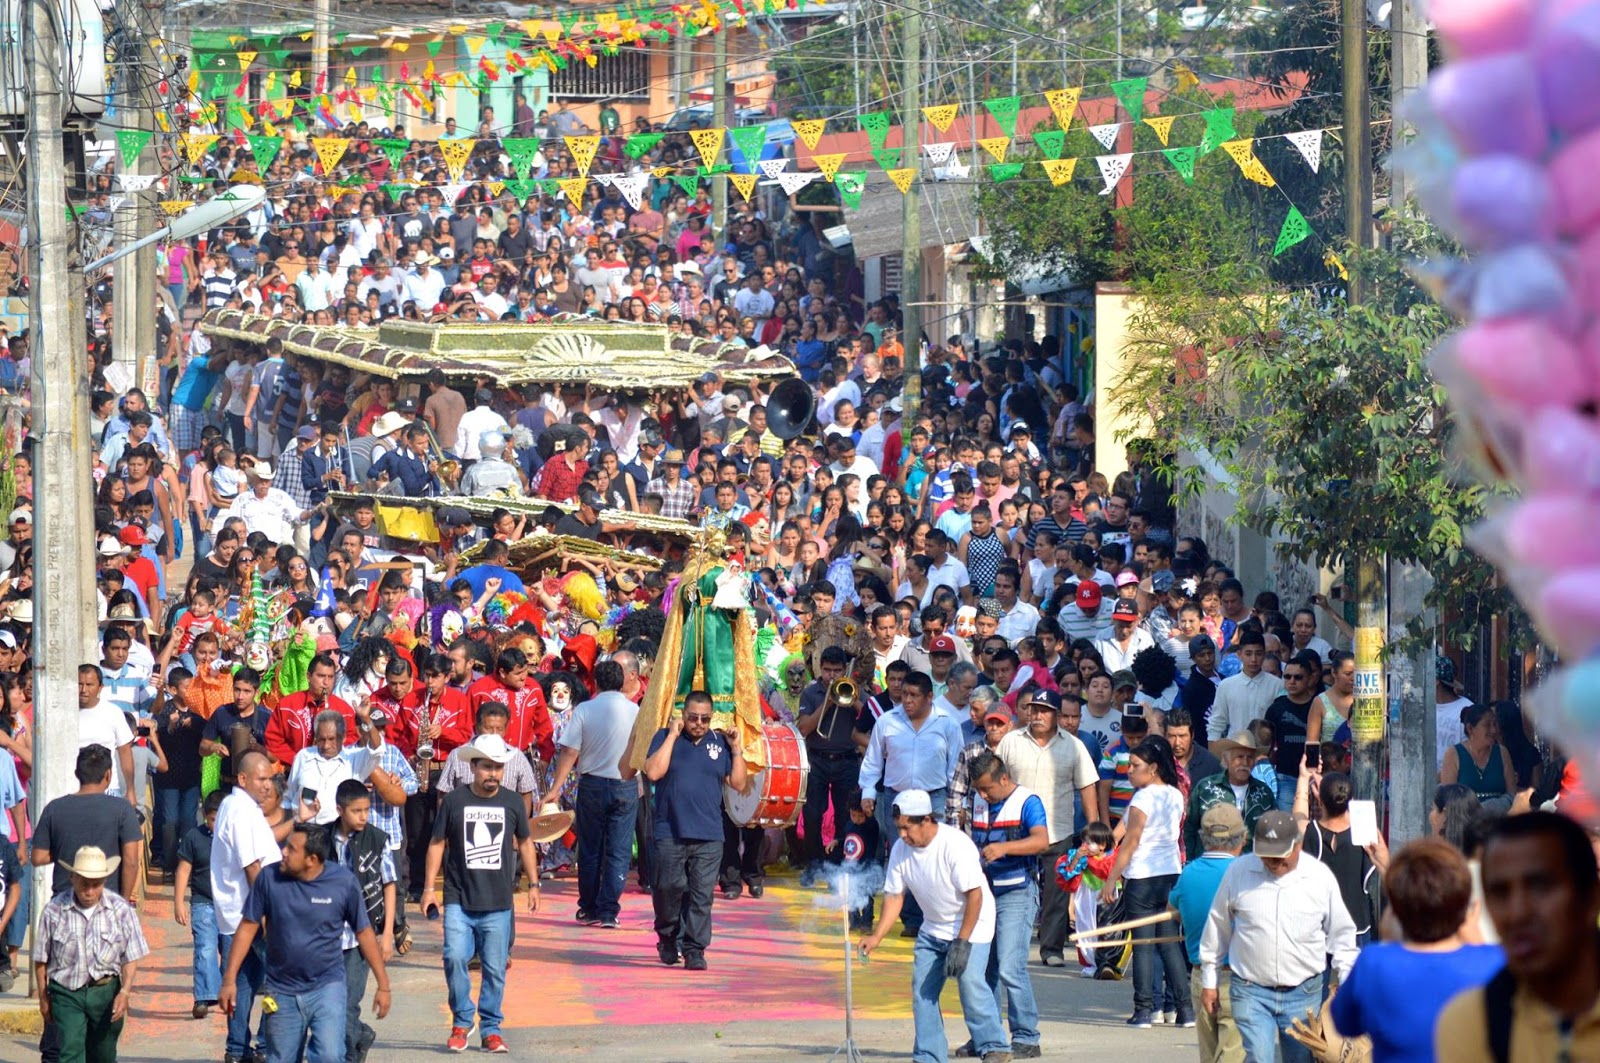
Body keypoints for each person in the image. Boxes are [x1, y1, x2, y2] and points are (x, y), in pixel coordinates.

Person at [857, 789, 1010, 1063]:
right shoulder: (901, 851)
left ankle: (994, 1045)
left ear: (926, 820)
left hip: (974, 924)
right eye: (898, 828)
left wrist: (962, 942)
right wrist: (877, 936)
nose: (902, 835)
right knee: (922, 991)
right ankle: (929, 1054)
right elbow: (894, 896)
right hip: (933, 928)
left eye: (907, 827)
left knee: (971, 982)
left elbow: (975, 896)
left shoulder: (955, 845)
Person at [1434, 811, 1600, 1061]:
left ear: (1589, 899)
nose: (1517, 912)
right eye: (1500, 893)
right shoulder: (1473, 1023)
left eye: (1540, 886)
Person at [219, 824, 392, 1063]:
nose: (284, 852)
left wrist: (383, 985)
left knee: (329, 1056)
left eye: (291, 849)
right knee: (281, 1058)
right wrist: (229, 979)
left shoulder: (342, 883)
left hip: (327, 988)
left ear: (311, 859)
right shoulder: (268, 879)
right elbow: (247, 928)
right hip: (281, 991)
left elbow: (364, 933)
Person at [1199, 811, 1360, 1063]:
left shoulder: (1319, 877)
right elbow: (1217, 924)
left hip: (1304, 993)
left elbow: (1342, 936)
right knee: (1259, 1057)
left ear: (1297, 845)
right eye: (1267, 855)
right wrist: (1210, 979)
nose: (1273, 862)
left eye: (1280, 855)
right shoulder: (1239, 872)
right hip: (1251, 989)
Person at [1331, 837, 1503, 1063]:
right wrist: (1475, 938)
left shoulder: (1374, 963)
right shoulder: (1497, 965)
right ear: (1469, 909)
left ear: (1395, 913)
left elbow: (1344, 1023)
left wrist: (1392, 943)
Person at [422, 733, 539, 1053]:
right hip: (459, 897)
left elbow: (526, 843)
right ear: (473, 767)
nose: (493, 774)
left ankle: (491, 1028)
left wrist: (534, 884)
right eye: (487, 767)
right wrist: (429, 888)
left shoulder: (513, 802)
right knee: (454, 957)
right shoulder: (455, 801)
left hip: (499, 902)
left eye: (498, 768)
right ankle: (462, 1021)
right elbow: (436, 844)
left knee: (494, 968)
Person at [639, 690, 747, 970]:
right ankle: (667, 938)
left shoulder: (719, 743)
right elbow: (653, 772)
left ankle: (695, 949)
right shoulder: (664, 737)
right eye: (692, 717)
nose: (698, 723)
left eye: (704, 718)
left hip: (709, 834)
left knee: (701, 896)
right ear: (682, 715)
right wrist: (673, 736)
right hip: (670, 831)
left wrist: (736, 748)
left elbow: (738, 783)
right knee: (668, 888)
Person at [994, 690, 1100, 967]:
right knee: (1013, 889)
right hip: (1016, 831)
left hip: (1058, 830)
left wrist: (1094, 828)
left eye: (1044, 710)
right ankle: (1009, 946)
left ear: (1055, 715)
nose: (1037, 714)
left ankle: (1051, 949)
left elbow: (1087, 786)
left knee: (1057, 893)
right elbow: (994, 780)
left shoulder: (1074, 746)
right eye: (1033, 709)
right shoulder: (1010, 741)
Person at [859, 672, 964, 936]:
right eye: (904, 694)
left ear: (930, 697)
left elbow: (956, 766)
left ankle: (935, 914)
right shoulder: (887, 722)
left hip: (935, 798)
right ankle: (912, 920)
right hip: (897, 797)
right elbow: (873, 761)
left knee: (934, 855)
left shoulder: (947, 724)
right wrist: (868, 792)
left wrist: (956, 801)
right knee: (901, 854)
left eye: (914, 696)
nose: (907, 700)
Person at [1099, 738, 1194, 1028]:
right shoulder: (1174, 795)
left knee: (1143, 944)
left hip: (1142, 877)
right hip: (1170, 874)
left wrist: (1110, 879)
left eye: (1136, 767)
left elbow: (1130, 842)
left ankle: (1143, 1011)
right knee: (1168, 944)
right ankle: (1185, 1011)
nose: (1129, 771)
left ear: (1153, 768)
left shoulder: (1142, 798)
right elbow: (1119, 834)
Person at [545, 659, 640, 928]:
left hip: (592, 785)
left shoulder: (585, 710)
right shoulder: (634, 711)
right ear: (622, 682)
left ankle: (588, 907)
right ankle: (609, 911)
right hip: (624, 785)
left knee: (590, 849)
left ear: (596, 683)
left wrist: (555, 789)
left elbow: (570, 751)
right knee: (618, 851)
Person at [966, 751, 1049, 1060]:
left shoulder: (1028, 801)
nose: (983, 795)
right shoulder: (978, 800)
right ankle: (987, 1037)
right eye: (978, 790)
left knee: (1010, 969)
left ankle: (1027, 1036)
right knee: (982, 969)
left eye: (987, 789)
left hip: (1017, 892)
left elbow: (1042, 841)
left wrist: (1004, 848)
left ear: (1004, 778)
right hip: (983, 895)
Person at [32, 846, 149, 1063]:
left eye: (96, 885)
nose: (90, 891)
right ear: (72, 878)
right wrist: (43, 997)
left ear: (104, 881)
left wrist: (124, 992)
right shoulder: (54, 910)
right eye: (84, 883)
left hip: (105, 992)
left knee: (103, 1055)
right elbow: (41, 959)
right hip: (66, 993)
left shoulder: (120, 910)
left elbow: (130, 956)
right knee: (70, 1052)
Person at [212, 751, 288, 1063]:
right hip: (251, 915)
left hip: (243, 912)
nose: (268, 785)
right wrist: (269, 914)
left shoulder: (243, 808)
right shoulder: (240, 811)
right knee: (282, 982)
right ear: (243, 779)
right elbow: (252, 867)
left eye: (270, 779)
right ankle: (262, 1047)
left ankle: (239, 1050)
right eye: (261, 779)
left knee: (244, 985)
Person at [1170, 804, 1248, 1063]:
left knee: (1209, 1053)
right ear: (1243, 837)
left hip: (1200, 974)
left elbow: (1173, 910)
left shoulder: (1189, 872)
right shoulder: (1247, 873)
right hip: (1239, 975)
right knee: (1232, 1055)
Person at [330, 780, 397, 1063]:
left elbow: (390, 884)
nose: (363, 817)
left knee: (347, 1003)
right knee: (331, 1005)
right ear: (340, 810)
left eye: (367, 810)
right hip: (329, 935)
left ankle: (348, 1054)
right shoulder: (321, 838)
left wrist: (388, 933)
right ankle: (361, 1035)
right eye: (356, 811)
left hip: (362, 936)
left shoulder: (378, 840)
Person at [1185, 731, 1277, 860]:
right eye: (1239, 757)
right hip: (1212, 867)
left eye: (1249, 757)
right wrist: (1190, 863)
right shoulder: (1205, 788)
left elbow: (1273, 831)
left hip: (1252, 868)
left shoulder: (1264, 792)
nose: (1245, 762)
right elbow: (1189, 828)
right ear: (1227, 759)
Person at [175, 790, 226, 1020]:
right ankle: (203, 998)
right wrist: (178, 902)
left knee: (231, 951)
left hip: (230, 906)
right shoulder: (193, 837)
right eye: (213, 819)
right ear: (205, 816)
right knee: (205, 949)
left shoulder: (236, 838)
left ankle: (227, 992)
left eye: (222, 818)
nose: (218, 824)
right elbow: (184, 869)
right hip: (203, 903)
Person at [1440, 702, 1516, 810]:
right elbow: (1447, 800)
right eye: (1487, 725)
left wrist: (1492, 807)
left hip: (1498, 822)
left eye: (1494, 724)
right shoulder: (1453, 754)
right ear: (1470, 729)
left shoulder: (1502, 753)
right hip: (1465, 823)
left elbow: (1512, 796)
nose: (1494, 730)